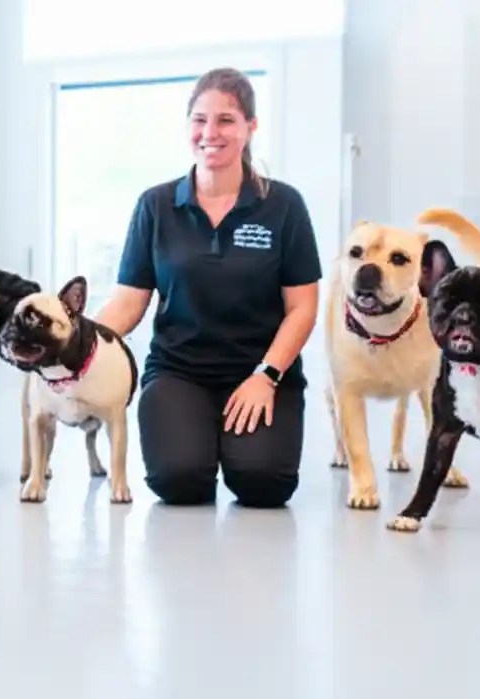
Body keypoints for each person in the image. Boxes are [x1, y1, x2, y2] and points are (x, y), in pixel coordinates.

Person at [94, 68, 321, 508]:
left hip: (260, 371)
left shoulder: (283, 205)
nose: (210, 133)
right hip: (180, 371)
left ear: (250, 128)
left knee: (263, 484)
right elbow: (128, 301)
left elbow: (303, 307)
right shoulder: (155, 206)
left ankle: (235, 441)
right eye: (199, 120)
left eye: (226, 120)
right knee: (179, 481)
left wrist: (266, 376)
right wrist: (78, 345)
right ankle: (198, 435)